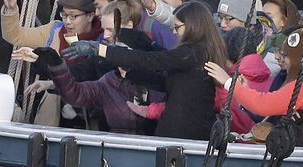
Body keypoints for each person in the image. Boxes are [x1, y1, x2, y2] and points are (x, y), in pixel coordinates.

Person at [64, 1, 229, 140]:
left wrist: (100, 49)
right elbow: (166, 83)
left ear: (193, 26)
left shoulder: (193, 53)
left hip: (186, 134)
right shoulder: (198, 53)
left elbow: (149, 60)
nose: (174, 32)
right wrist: (130, 73)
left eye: (177, 27)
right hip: (183, 132)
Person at [205, 23, 303, 147]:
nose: (282, 60)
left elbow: (264, 105)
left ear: (299, 60)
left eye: (287, 56)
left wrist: (228, 82)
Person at [12, 1, 158, 134]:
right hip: (111, 140)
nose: (105, 36)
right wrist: (44, 61)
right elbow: (77, 83)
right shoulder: (107, 76)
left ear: (129, 25)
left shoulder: (154, 61)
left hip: (152, 143)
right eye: (104, 30)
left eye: (110, 29)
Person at [1, 0, 102, 58]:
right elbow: (15, 36)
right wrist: (11, 9)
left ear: (90, 16)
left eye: (73, 16)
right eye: (64, 15)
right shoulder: (54, 31)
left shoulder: (105, 37)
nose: (67, 21)